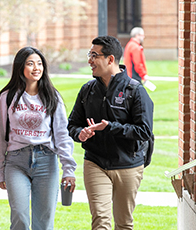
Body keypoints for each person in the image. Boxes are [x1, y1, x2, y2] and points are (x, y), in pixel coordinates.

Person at [68, 36, 153, 230]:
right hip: (95, 163)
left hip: (128, 165)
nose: (89, 60)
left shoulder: (135, 91)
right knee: (100, 221)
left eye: (94, 55)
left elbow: (144, 131)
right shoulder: (87, 90)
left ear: (110, 59)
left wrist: (111, 127)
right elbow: (72, 124)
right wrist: (80, 133)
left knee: (123, 224)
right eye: (89, 55)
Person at [0, 46, 77, 230]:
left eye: (39, 64)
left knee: (44, 222)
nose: (36, 68)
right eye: (30, 63)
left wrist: (68, 169)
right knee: (20, 217)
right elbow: (0, 136)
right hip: (16, 162)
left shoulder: (52, 97)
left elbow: (62, 135)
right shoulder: (8, 97)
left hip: (46, 161)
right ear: (20, 67)